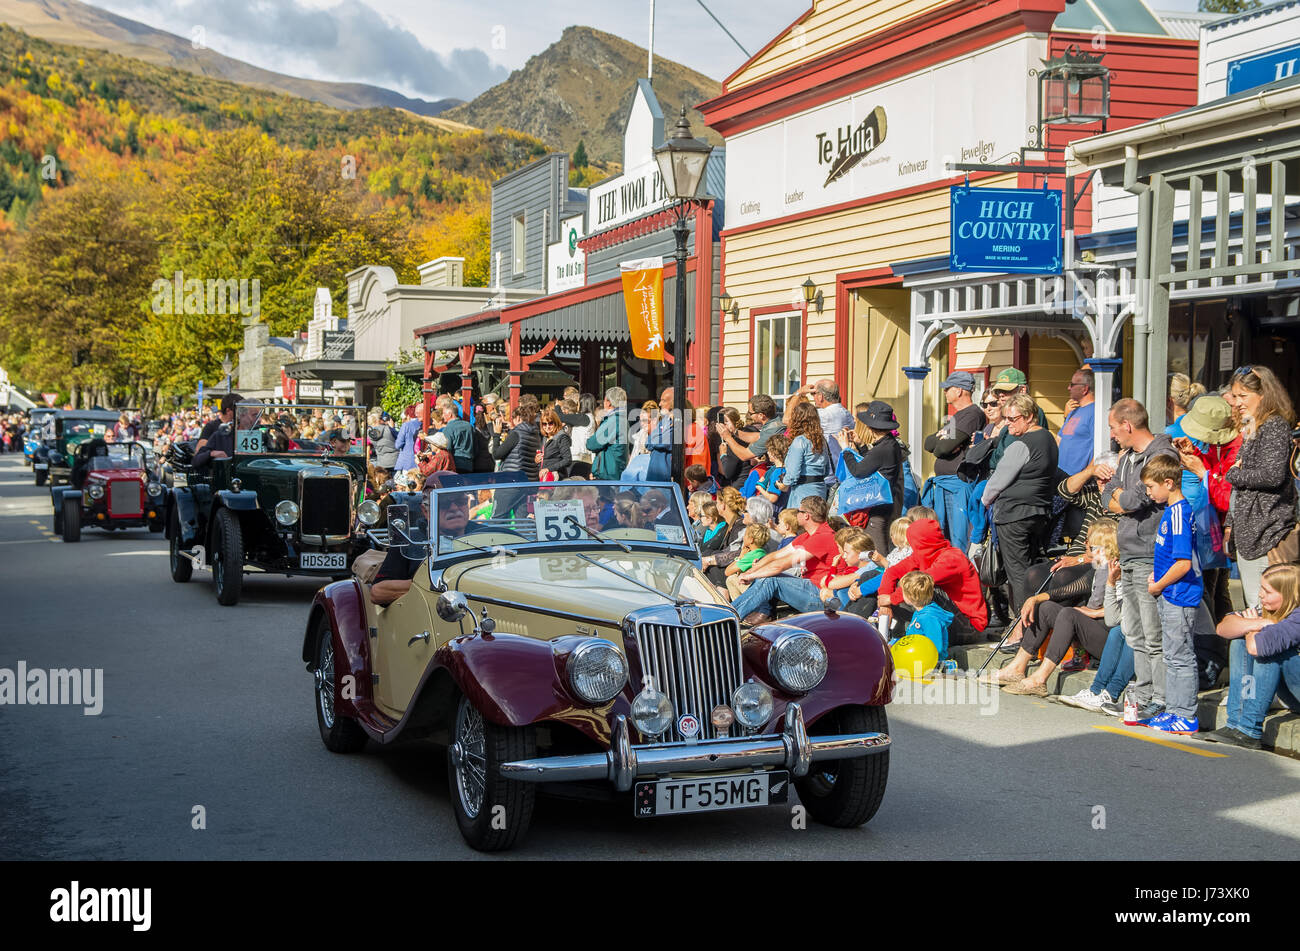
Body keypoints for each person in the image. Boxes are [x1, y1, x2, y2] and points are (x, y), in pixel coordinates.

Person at [1099, 397, 1180, 724]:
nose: (1113, 435)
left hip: (1150, 553)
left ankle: (1159, 700)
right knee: (1133, 632)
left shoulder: (1161, 454)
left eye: (1113, 428)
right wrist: (1119, 497)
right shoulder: (1127, 457)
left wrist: (1121, 498)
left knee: (1152, 633)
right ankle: (1141, 696)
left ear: (1127, 425)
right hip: (1129, 551)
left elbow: (1133, 498)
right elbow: (1109, 496)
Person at [989, 519, 1123, 694]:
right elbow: (1069, 590)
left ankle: (1040, 679)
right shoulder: (1097, 567)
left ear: (1102, 547)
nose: (1085, 544)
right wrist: (1035, 599)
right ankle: (1017, 667)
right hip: (1095, 627)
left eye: (1090, 543)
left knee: (1069, 614)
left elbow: (1127, 609)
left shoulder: (1118, 569)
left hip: (1108, 635)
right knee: (1046, 608)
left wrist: (1095, 612)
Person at [1134, 453, 1202, 733]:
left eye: (1151, 487)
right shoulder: (1171, 513)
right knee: (1172, 656)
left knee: (1180, 655)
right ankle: (1173, 710)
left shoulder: (1178, 514)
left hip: (1179, 595)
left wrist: (1159, 584)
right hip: (1169, 592)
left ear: (1169, 483)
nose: (1149, 494)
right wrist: (1158, 576)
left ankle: (1186, 713)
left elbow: (1184, 562)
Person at [1224, 365, 1298, 609]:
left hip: (1266, 534)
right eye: (1235, 396)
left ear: (1263, 394)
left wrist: (1234, 474)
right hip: (1250, 534)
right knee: (1254, 611)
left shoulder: (1274, 426)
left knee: (1262, 613)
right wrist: (1230, 526)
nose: (1237, 403)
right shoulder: (1255, 427)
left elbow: (1272, 475)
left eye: (1243, 396)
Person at [982, 393, 1059, 617]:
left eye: (1012, 419)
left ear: (1029, 417)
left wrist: (985, 501)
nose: (1007, 423)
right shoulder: (1048, 439)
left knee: (1018, 573)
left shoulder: (1021, 445)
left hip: (1013, 514)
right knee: (1032, 570)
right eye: (1006, 418)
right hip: (1039, 512)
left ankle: (1022, 628)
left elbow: (996, 483)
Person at [1209, 564, 1300, 748]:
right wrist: (1257, 623)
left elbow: (1256, 648)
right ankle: (1235, 722)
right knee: (1239, 642)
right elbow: (1222, 628)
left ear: (1287, 594)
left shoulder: (1297, 617)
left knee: (1264, 649)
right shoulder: (1267, 609)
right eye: (1261, 588)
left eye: (1267, 591)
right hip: (1289, 691)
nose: (1260, 594)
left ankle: (1250, 729)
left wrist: (1252, 625)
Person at [731, 496, 846, 624]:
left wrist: (751, 575)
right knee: (765, 573)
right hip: (812, 588)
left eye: (799, 511)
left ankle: (728, 616)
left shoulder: (823, 536)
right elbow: (775, 556)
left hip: (822, 596)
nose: (797, 514)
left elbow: (780, 565)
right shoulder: (808, 536)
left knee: (771, 579)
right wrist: (751, 571)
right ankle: (745, 612)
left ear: (806, 516)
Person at [874, 517, 988, 645]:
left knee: (922, 586)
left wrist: (891, 599)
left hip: (969, 627)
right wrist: (885, 604)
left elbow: (917, 584)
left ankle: (908, 638)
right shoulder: (921, 555)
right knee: (895, 582)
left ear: (921, 543)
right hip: (947, 619)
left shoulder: (953, 558)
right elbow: (891, 572)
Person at [371, 486, 476, 606]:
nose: (454, 508)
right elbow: (378, 592)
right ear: (426, 511)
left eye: (460, 502)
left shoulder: (488, 534)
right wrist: (429, 583)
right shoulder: (410, 541)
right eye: (444, 503)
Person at [921, 370, 987, 550]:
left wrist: (943, 441)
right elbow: (929, 443)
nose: (944, 392)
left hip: (957, 484)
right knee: (944, 536)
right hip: (945, 485)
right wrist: (942, 439)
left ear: (959, 390)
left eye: (947, 388)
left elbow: (943, 448)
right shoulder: (957, 416)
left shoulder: (972, 414)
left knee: (959, 538)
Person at [837, 400, 906, 555]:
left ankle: (883, 577)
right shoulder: (890, 443)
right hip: (885, 503)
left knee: (877, 552)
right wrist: (861, 446)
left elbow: (858, 471)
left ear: (871, 427)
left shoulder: (882, 448)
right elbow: (873, 464)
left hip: (878, 508)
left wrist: (846, 449)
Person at [715, 394, 785, 478]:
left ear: (761, 415)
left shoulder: (772, 431)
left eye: (750, 413)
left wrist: (727, 437)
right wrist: (734, 431)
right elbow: (757, 437)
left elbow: (745, 455)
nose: (749, 415)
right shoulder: (774, 422)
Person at [779, 402, 831, 508]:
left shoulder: (800, 441)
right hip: (820, 489)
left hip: (802, 492)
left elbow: (793, 474)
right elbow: (826, 470)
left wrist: (783, 484)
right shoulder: (821, 440)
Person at [898, 571, 953, 662]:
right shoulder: (920, 612)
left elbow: (936, 648)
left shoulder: (929, 618)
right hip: (919, 657)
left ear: (910, 596)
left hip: (930, 663)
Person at [1057, 366, 1097, 477]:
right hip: (1061, 478)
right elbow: (1059, 440)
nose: (1068, 388)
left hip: (1078, 480)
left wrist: (1086, 475)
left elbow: (1100, 449)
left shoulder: (1096, 412)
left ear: (1085, 389)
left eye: (1072, 385)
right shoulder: (1073, 411)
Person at [192, 393, 243, 471]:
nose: (242, 413)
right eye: (239, 409)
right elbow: (200, 450)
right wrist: (213, 453)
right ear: (228, 410)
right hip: (218, 469)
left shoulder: (240, 427)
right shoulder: (212, 426)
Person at [587, 387, 629, 481]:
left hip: (608, 473)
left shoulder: (614, 420)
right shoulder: (622, 419)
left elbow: (592, 444)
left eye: (604, 401)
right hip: (614, 470)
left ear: (608, 402)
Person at [725, 523, 772, 599]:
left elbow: (727, 572)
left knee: (731, 579)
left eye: (745, 535)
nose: (743, 537)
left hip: (755, 591)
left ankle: (739, 607)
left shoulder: (751, 555)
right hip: (762, 588)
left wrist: (740, 556)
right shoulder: (762, 552)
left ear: (751, 540)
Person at [435, 395, 476, 475]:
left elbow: (447, 448)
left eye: (444, 414)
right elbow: (476, 446)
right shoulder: (469, 426)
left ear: (450, 414)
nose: (443, 417)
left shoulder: (448, 428)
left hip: (455, 463)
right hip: (469, 464)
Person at [537, 408, 572, 481]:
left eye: (550, 423)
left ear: (555, 423)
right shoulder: (545, 437)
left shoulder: (561, 437)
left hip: (556, 478)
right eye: (544, 424)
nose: (547, 427)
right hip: (544, 478)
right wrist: (536, 460)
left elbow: (567, 460)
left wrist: (548, 469)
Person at [754, 435, 789, 508]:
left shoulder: (778, 472)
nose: (767, 453)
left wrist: (759, 487)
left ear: (774, 453)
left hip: (776, 510)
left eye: (769, 451)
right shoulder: (787, 469)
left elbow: (772, 498)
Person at [394, 405, 422, 472]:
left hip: (407, 462)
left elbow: (398, 445)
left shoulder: (406, 425)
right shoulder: (424, 423)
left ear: (408, 416)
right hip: (420, 461)